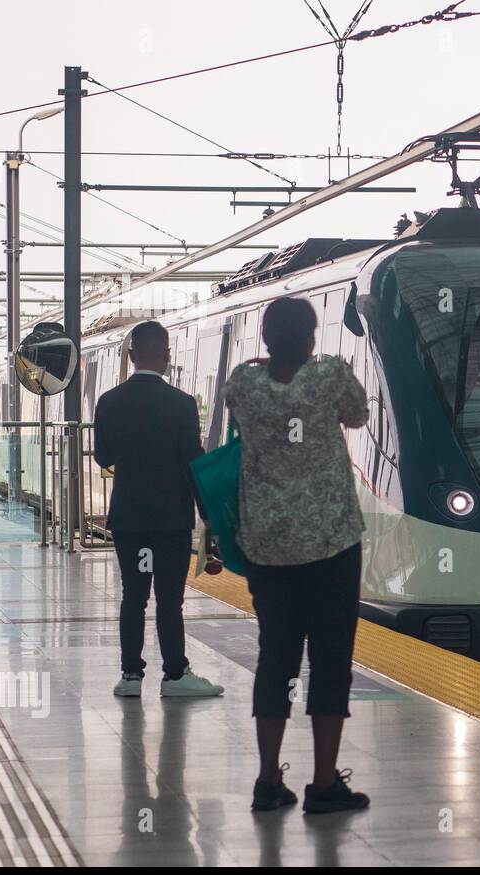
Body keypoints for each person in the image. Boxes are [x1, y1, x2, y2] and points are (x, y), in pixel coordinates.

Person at [224, 296, 371, 814]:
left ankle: (268, 780)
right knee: (331, 660)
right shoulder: (329, 375)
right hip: (330, 542)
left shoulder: (243, 381)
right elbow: (357, 415)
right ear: (312, 338)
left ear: (265, 340)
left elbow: (236, 409)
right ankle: (324, 783)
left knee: (277, 656)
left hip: (267, 545)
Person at [93, 320, 225, 699]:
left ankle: (130, 676)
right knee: (170, 598)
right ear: (167, 356)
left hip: (130, 519)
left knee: (133, 595)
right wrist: (208, 515)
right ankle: (175, 675)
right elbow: (192, 463)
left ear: (131, 356)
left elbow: (103, 457)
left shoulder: (109, 402)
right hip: (170, 520)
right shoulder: (181, 405)